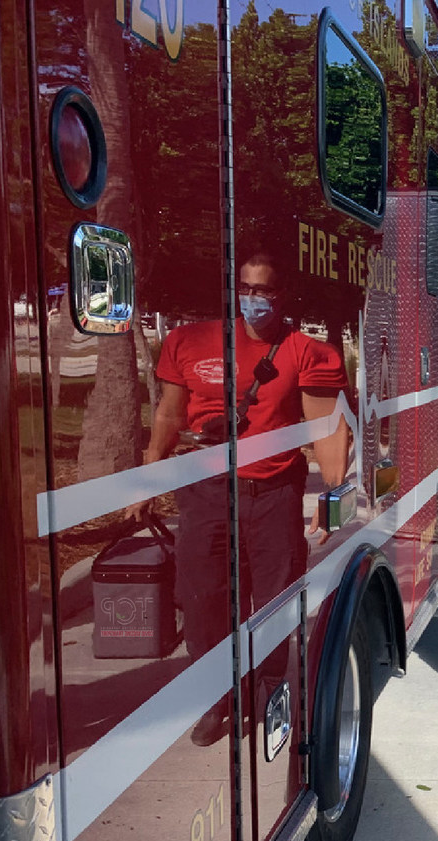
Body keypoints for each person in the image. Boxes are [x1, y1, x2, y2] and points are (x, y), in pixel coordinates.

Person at [129, 251, 353, 658]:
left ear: (282, 295)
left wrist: (332, 496)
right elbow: (168, 415)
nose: (253, 299)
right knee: (204, 603)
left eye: (263, 290)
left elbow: (329, 428)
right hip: (204, 494)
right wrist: (147, 483)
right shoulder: (188, 342)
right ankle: (214, 706)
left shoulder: (306, 351)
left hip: (273, 495)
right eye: (245, 289)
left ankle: (272, 702)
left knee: (274, 604)